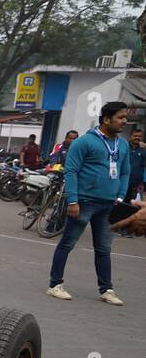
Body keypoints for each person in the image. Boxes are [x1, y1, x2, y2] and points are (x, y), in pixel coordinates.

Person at [46, 102, 131, 305]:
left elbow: (125, 171)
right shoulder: (83, 142)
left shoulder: (123, 145)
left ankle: (107, 289)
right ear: (106, 119)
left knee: (104, 248)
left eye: (125, 117)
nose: (124, 121)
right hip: (84, 201)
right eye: (120, 117)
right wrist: (73, 200)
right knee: (67, 243)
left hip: (110, 204)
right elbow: (71, 171)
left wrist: (120, 197)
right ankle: (55, 284)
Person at [128, 128, 144, 199]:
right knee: (119, 203)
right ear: (130, 136)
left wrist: (142, 183)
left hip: (137, 184)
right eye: (135, 136)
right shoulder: (124, 147)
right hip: (123, 181)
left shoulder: (144, 149)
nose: (137, 137)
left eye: (139, 136)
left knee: (133, 205)